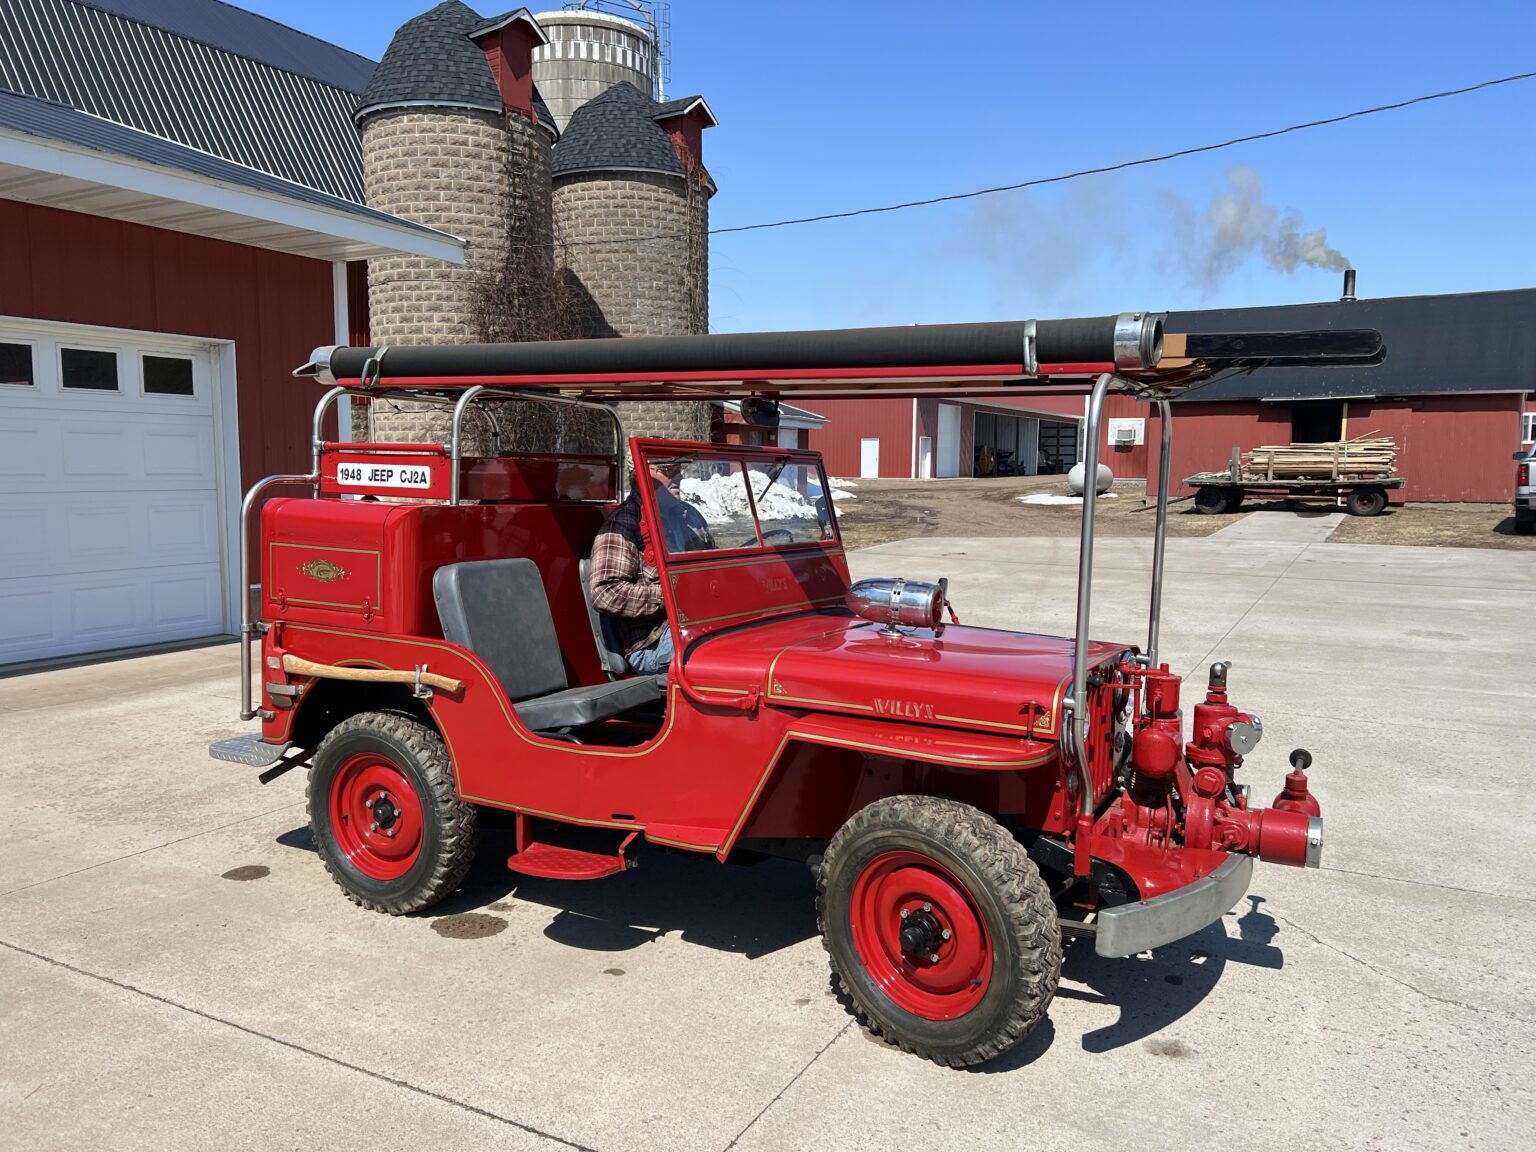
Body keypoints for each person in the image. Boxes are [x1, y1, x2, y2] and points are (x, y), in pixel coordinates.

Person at [587, 460, 712, 675]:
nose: (679, 477)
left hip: (695, 622)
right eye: (668, 471)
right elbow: (605, 593)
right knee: (719, 648)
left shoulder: (689, 517)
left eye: (679, 470)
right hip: (652, 643)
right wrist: (672, 596)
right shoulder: (624, 524)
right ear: (643, 476)